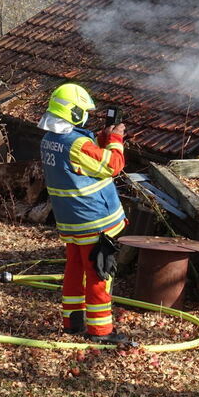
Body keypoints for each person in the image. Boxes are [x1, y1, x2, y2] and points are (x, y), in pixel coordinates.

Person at [38, 83, 131, 345]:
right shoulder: (77, 144)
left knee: (75, 270)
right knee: (99, 274)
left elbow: (82, 163)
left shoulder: (50, 139)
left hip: (70, 222)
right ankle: (101, 332)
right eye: (85, 112)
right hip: (94, 221)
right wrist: (115, 140)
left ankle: (73, 323)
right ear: (75, 113)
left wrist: (100, 140)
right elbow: (112, 165)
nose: (88, 116)